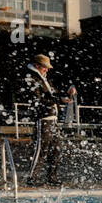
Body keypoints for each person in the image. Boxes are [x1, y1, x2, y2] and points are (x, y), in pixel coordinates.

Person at [22, 54, 68, 185]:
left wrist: (66, 94)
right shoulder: (31, 78)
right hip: (43, 119)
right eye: (44, 67)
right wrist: (59, 99)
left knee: (56, 148)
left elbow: (53, 94)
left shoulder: (44, 79)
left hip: (53, 119)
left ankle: (51, 177)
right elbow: (38, 100)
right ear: (37, 66)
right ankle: (31, 178)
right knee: (41, 149)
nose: (47, 70)